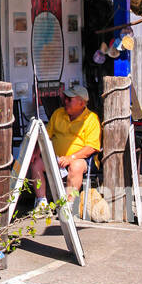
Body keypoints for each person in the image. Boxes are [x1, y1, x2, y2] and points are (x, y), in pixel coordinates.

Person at [29, 80, 101, 209]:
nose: (65, 101)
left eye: (69, 99)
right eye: (65, 98)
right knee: (36, 163)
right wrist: (36, 151)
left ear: (81, 102)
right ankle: (41, 202)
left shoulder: (91, 119)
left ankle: (69, 203)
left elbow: (91, 148)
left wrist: (70, 158)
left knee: (76, 166)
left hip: (81, 160)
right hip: (57, 159)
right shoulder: (58, 113)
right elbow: (45, 135)